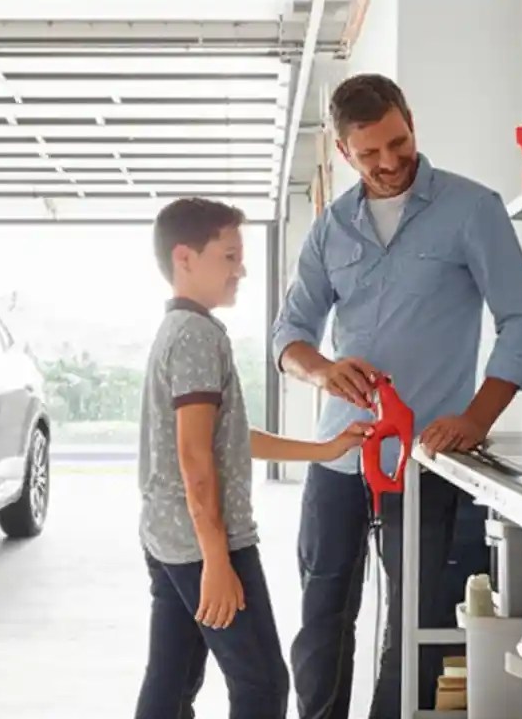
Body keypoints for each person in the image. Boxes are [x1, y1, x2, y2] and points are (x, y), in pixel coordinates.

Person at [271, 74, 522, 717]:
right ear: (344, 152)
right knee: (322, 613)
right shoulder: (330, 228)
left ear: (410, 121)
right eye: (370, 154)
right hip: (340, 455)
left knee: (415, 621)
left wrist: (477, 419)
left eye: (398, 142)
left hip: (424, 463)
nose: (390, 162)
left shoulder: (472, 209)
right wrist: (321, 371)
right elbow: (290, 333)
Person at [135, 196, 374, 719]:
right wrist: (218, 561)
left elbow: (230, 438)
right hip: (204, 543)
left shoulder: (179, 329)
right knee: (262, 683)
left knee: (171, 681)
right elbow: (196, 461)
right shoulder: (197, 337)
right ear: (185, 259)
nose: (241, 269)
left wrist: (325, 449)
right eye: (228, 256)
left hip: (170, 537)